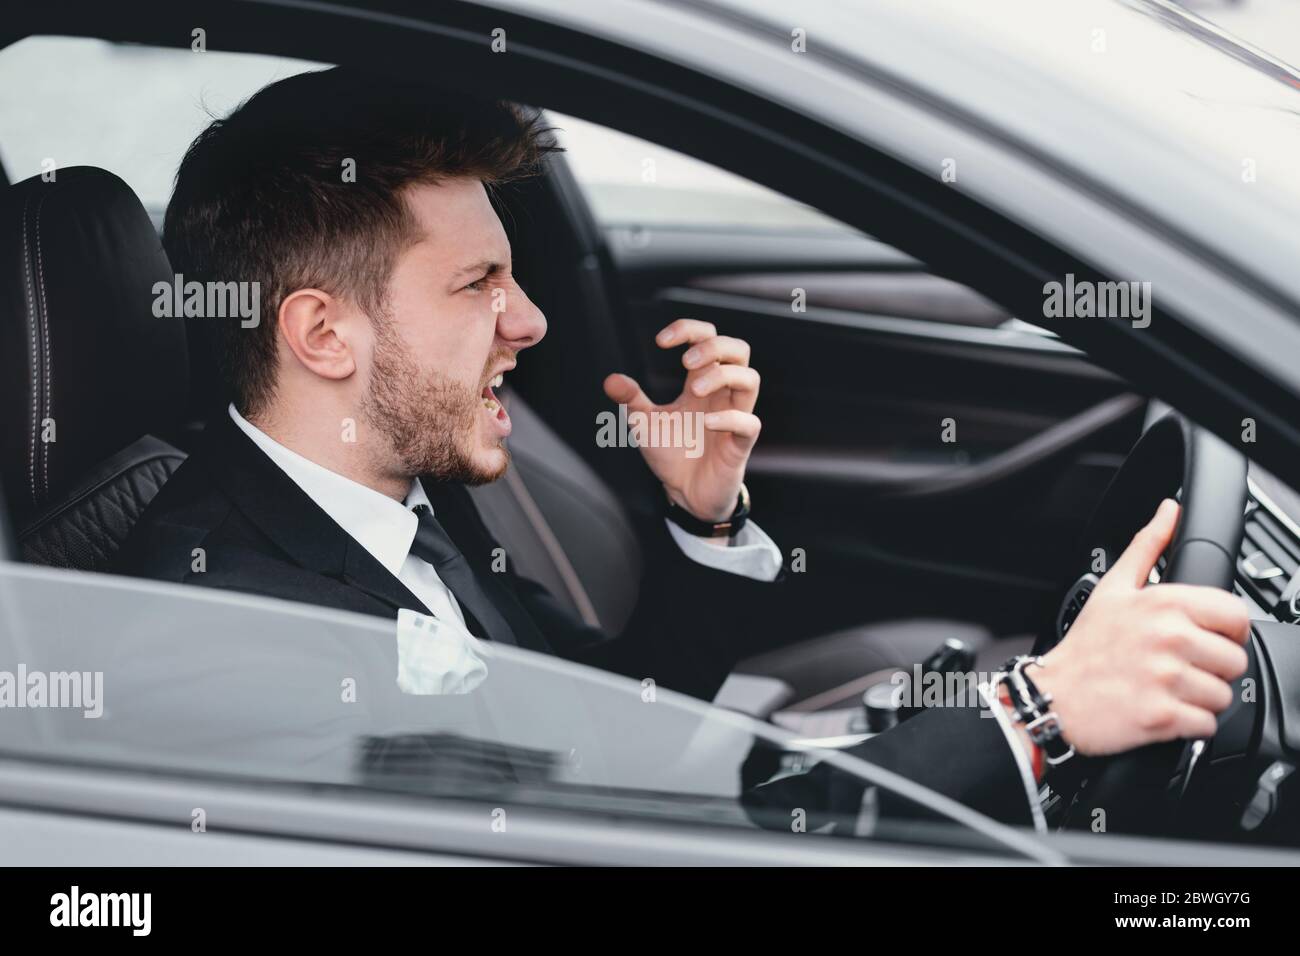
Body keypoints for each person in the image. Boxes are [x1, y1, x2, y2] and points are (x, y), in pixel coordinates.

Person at [116, 68, 1250, 829]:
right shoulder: (236, 634)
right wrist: (1037, 716)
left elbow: (603, 726)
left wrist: (704, 518)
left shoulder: (384, 497)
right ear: (322, 333)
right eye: (479, 284)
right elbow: (621, 835)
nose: (530, 321)